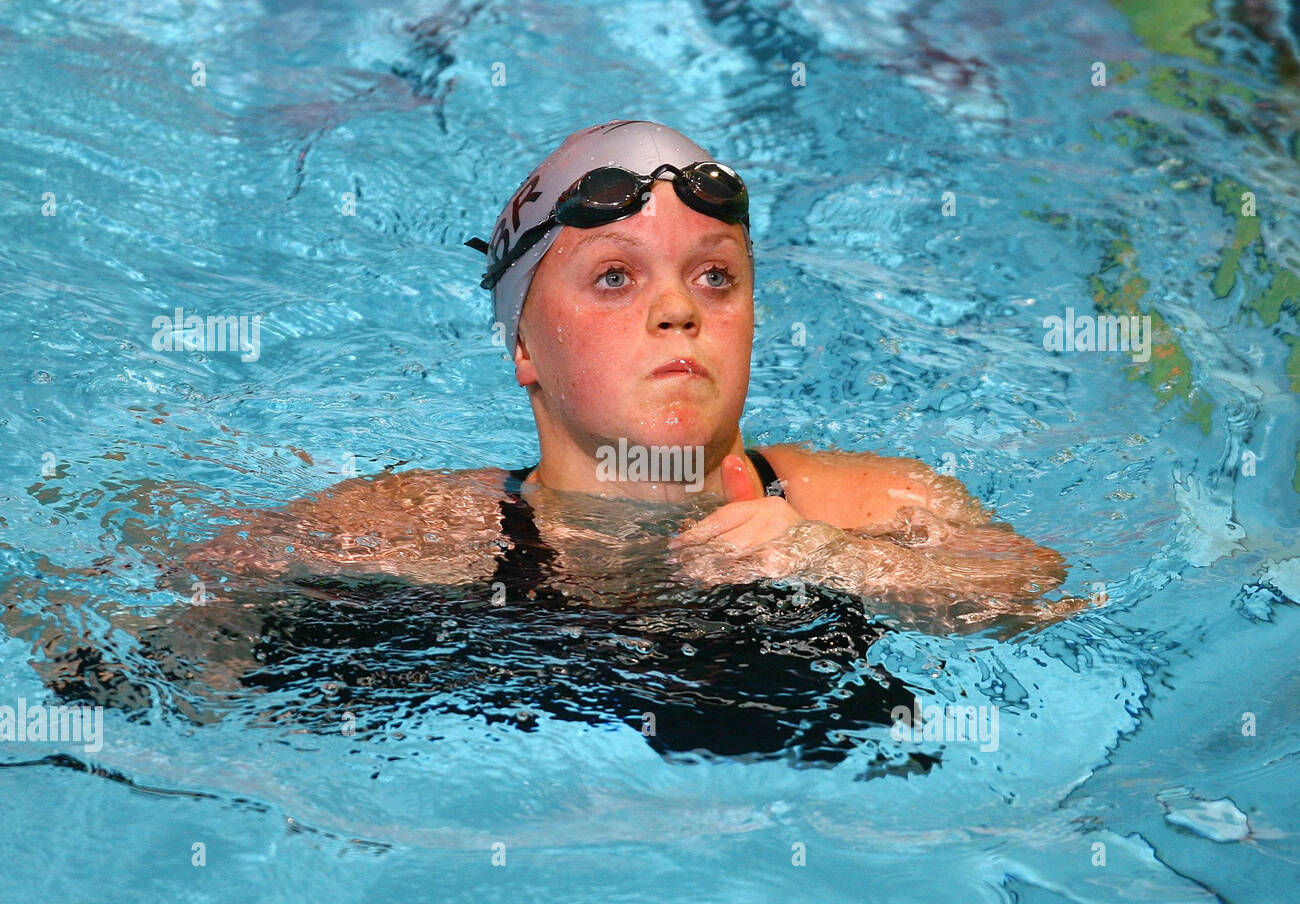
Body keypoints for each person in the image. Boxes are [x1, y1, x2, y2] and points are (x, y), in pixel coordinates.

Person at [183, 119, 1088, 634]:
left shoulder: (865, 502)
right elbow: (171, 612)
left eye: (715, 275)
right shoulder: (422, 530)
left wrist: (836, 562)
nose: (679, 310)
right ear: (525, 349)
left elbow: (1045, 601)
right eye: (615, 276)